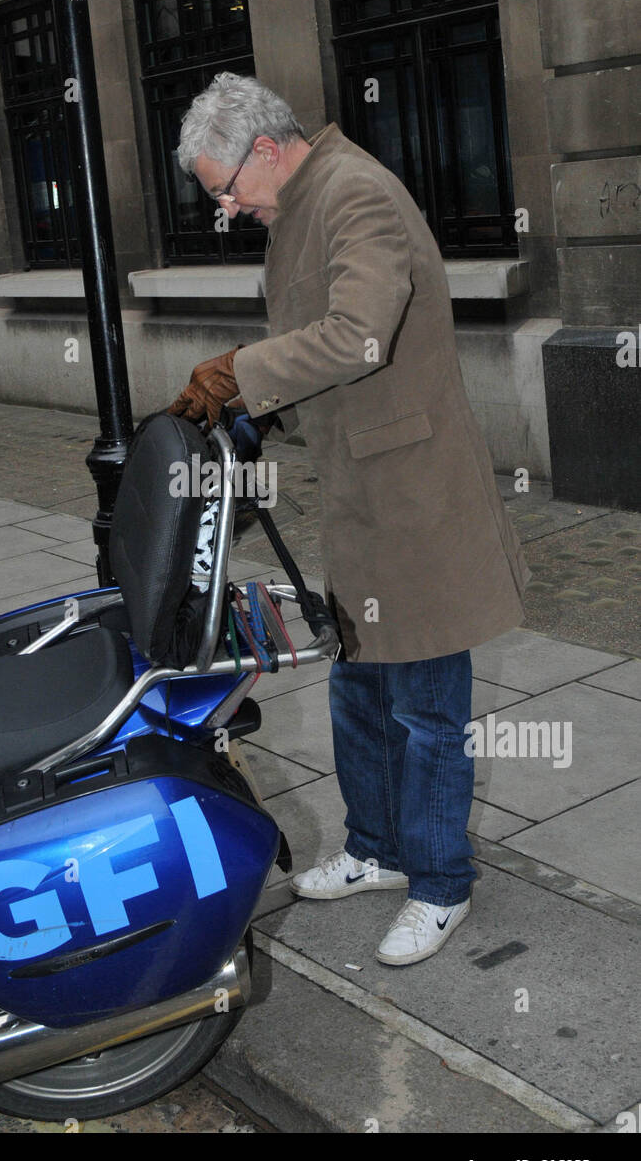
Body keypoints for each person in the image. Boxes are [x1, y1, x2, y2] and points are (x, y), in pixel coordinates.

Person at [168, 73, 530, 966]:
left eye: (224, 187)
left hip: (417, 502)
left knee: (426, 711)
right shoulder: (303, 201)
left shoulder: (354, 192)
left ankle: (442, 883)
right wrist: (254, 416)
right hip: (366, 499)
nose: (225, 207)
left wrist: (241, 372)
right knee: (359, 692)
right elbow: (327, 360)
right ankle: (376, 848)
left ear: (263, 147)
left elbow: (358, 331)